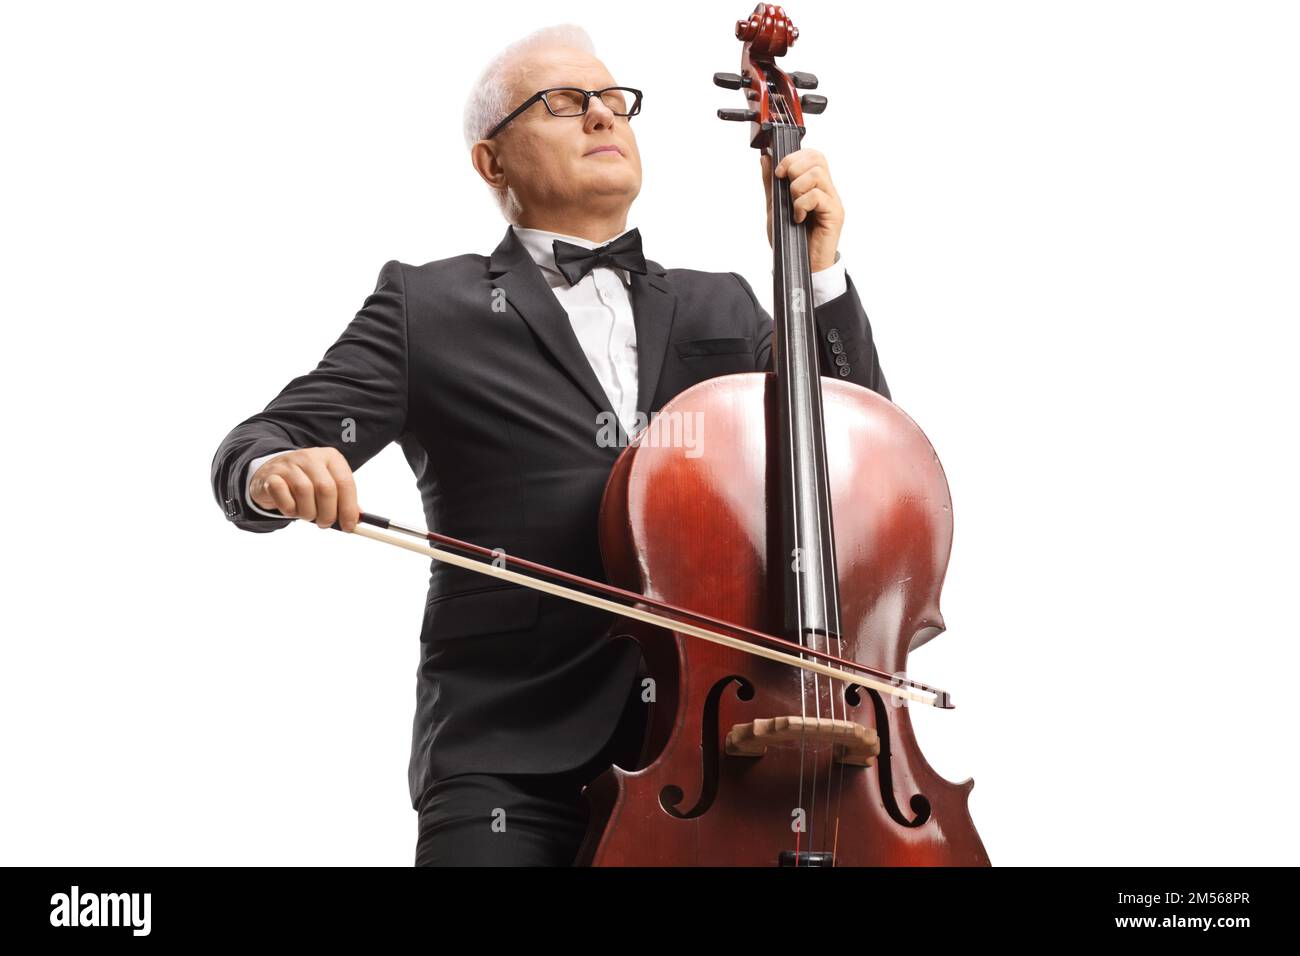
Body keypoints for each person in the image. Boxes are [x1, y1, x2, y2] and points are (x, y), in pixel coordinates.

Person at [209, 23, 890, 866]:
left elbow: (857, 464)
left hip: (719, 747)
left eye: (614, 101)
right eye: (564, 104)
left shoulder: (727, 305)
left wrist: (816, 277)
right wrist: (271, 467)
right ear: (492, 163)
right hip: (508, 763)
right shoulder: (428, 307)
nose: (602, 117)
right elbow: (265, 438)